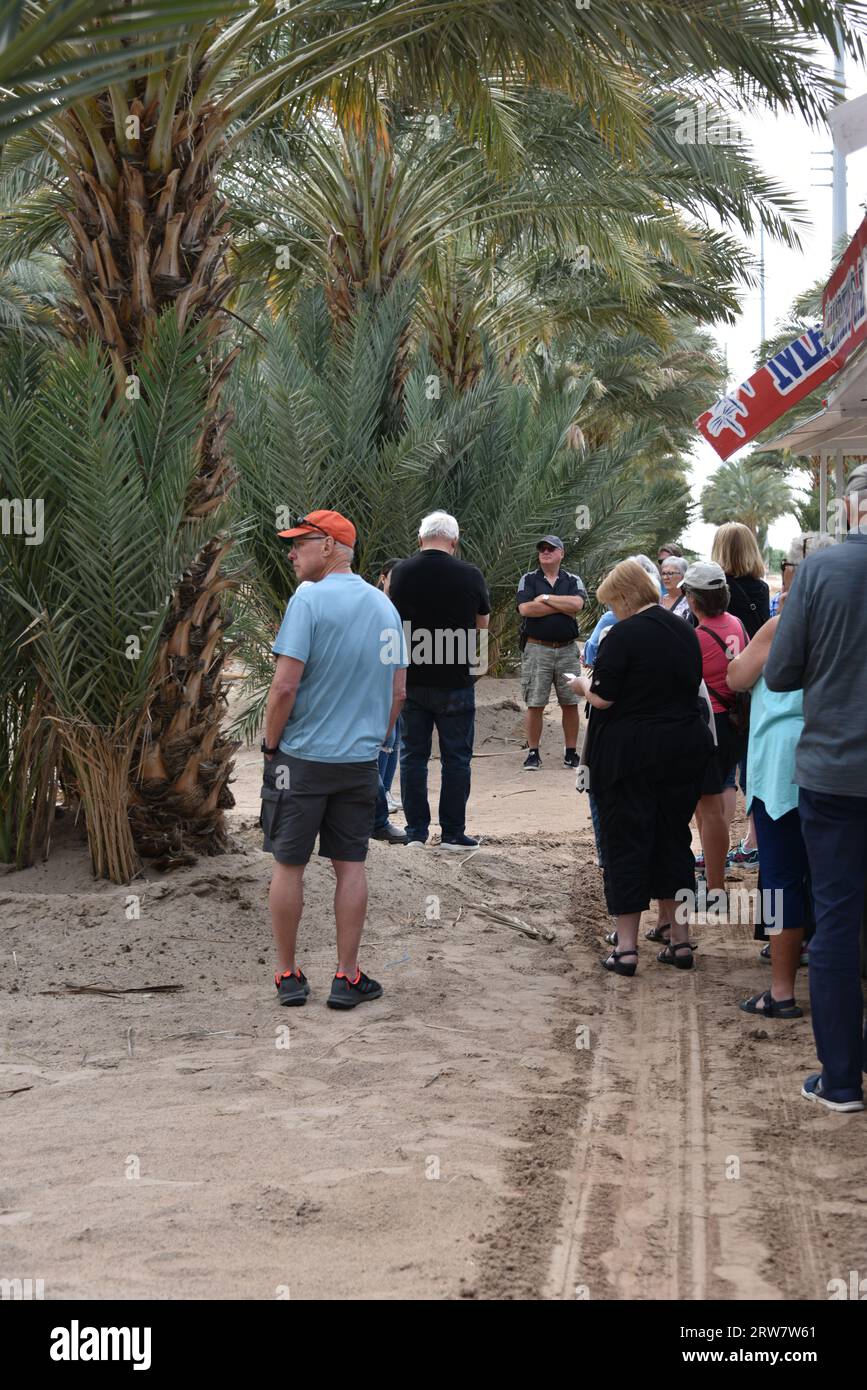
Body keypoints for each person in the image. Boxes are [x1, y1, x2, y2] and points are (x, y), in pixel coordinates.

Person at [263, 510, 407, 1009]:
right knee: (351, 867)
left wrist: (269, 745)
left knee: (289, 864)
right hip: (358, 763)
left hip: (300, 759)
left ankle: (288, 974)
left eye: (300, 543)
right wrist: (378, 743)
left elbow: (284, 685)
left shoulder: (307, 599)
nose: (292, 552)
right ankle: (347, 978)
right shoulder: (385, 608)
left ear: (328, 546)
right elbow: (398, 693)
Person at [765, 463, 867, 1112]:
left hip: (832, 776)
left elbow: (778, 675)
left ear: (854, 509)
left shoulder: (821, 573)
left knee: (834, 923)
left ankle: (838, 1082)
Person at [569, 559, 713, 976]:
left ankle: (627, 949)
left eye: (614, 602)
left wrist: (581, 685)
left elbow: (604, 697)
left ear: (627, 596)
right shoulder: (685, 630)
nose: (613, 610)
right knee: (673, 841)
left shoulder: (622, 634)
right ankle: (680, 942)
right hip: (683, 749)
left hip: (630, 756)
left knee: (627, 842)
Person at [389, 511, 490, 849]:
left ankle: (416, 832)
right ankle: (452, 833)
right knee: (456, 759)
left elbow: (390, 619)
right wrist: (476, 665)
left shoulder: (400, 572)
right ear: (454, 542)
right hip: (455, 679)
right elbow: (483, 623)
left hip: (412, 677)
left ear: (420, 540)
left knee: (412, 757)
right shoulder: (470, 574)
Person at [679, 561, 748, 901]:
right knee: (715, 801)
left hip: (711, 726)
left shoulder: (697, 637)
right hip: (735, 723)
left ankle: (716, 885)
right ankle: (714, 876)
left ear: (693, 600)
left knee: (709, 807)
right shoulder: (736, 623)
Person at [516, 535, 587, 769]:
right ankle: (533, 753)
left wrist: (546, 599)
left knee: (570, 702)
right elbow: (526, 608)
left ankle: (570, 753)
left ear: (561, 553)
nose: (545, 552)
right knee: (535, 702)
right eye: (542, 549)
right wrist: (561, 606)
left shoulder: (573, 580)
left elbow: (577, 606)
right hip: (537, 649)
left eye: (550, 548)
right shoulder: (528, 579)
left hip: (567, 650)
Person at [371, 558, 406, 842]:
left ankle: (385, 793)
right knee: (381, 743)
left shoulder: (400, 608)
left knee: (393, 743)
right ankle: (376, 816)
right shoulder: (373, 606)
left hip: (397, 687)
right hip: (376, 692)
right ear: (383, 577)